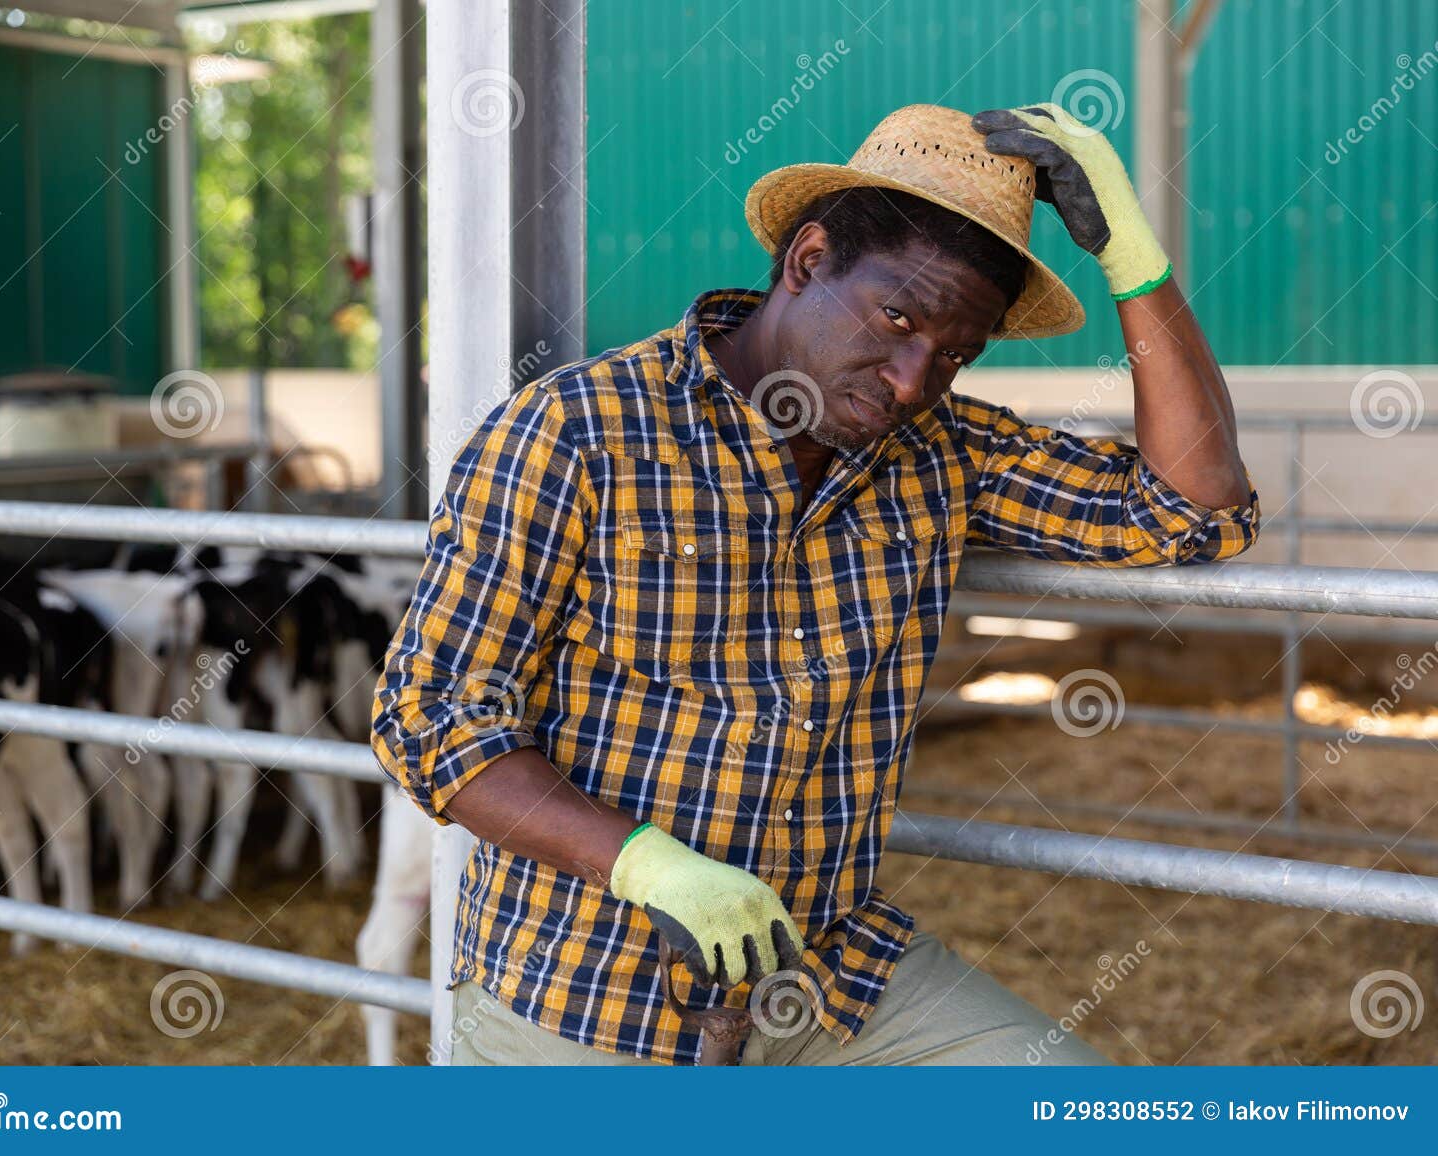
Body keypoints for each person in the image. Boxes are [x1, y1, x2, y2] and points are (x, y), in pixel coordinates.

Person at [372, 101, 1260, 1066]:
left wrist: (1134, 257)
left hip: (822, 977)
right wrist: (644, 862)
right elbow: (430, 713)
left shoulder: (943, 453)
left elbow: (1194, 512)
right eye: (898, 319)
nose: (915, 380)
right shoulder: (578, 430)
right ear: (807, 261)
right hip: (581, 986)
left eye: (955, 354)